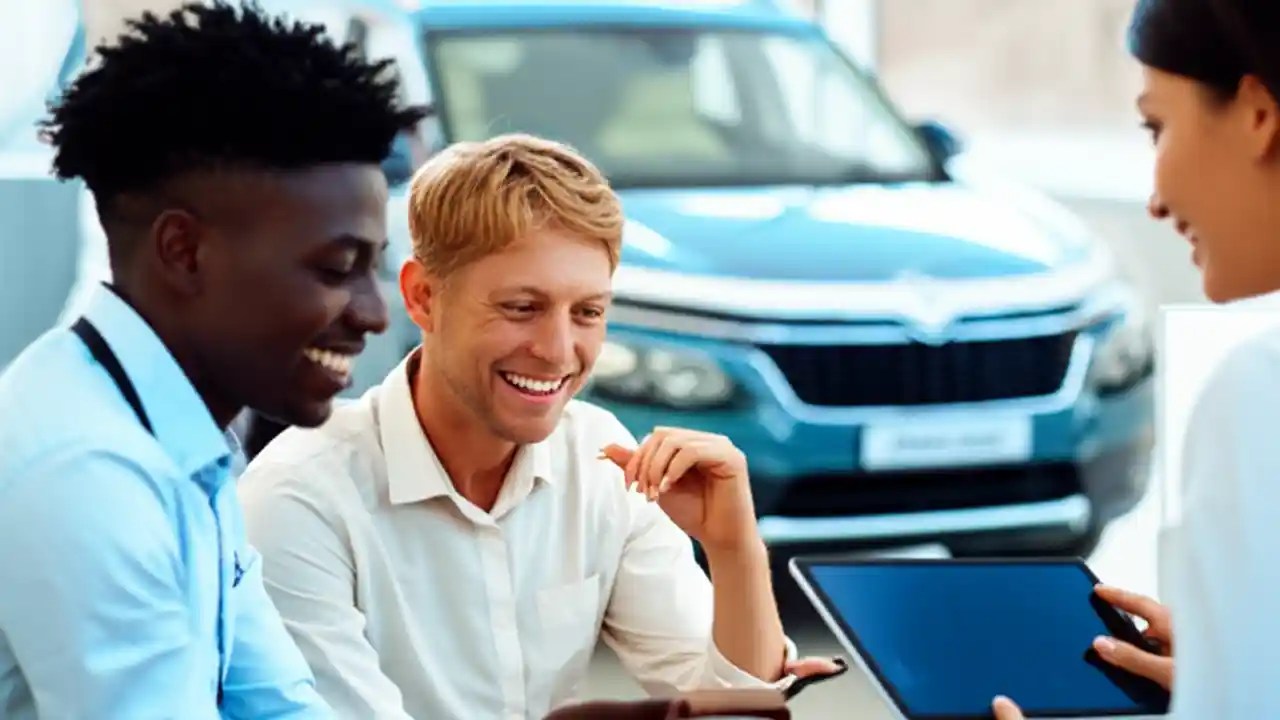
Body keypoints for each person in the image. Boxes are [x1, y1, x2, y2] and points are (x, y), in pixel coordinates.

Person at [236, 133, 843, 720]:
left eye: (588, 313)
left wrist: (734, 546)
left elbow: (733, 713)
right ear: (423, 297)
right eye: (521, 308)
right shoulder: (301, 496)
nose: (557, 351)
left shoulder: (597, 459)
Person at [0, 2, 425, 716]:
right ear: (183, 252)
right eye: (334, 269)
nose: (374, 314)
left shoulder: (176, 437)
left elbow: (277, 701)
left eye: (371, 268)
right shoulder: (86, 467)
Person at [994, 0, 1280, 717]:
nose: (1155, 197)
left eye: (1158, 126)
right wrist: (1240, 661)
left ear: (1256, 114)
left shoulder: (1258, 390)